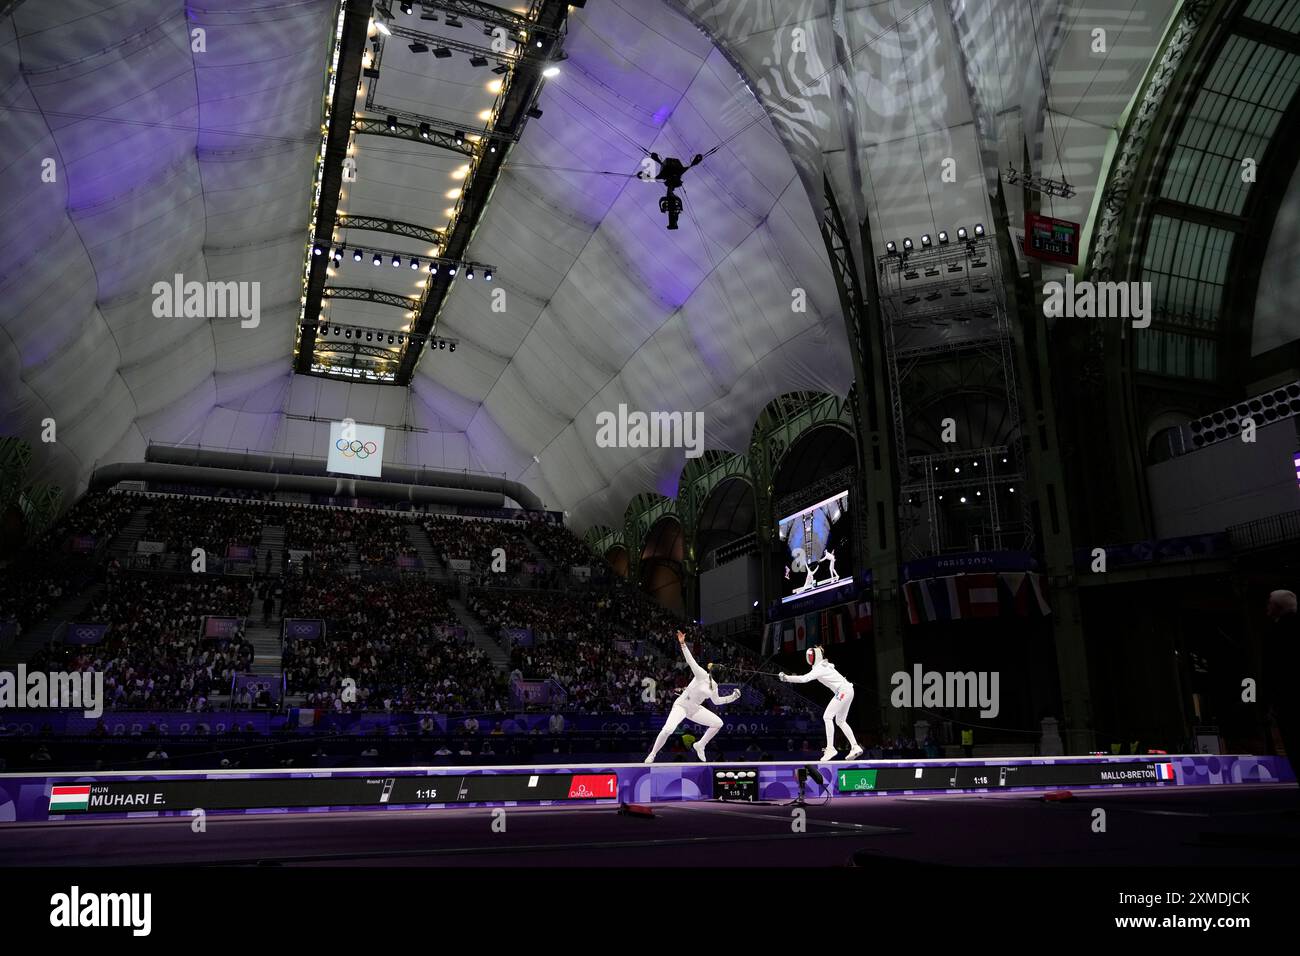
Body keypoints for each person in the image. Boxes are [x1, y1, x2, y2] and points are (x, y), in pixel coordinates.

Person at [644, 630, 740, 763]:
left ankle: (700, 745)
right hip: (682, 705)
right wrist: (682, 643)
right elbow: (690, 661)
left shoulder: (715, 686)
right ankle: (652, 754)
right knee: (668, 729)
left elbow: (717, 701)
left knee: (718, 723)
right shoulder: (701, 674)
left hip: (694, 709)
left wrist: (733, 697)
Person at [780, 646, 862, 762]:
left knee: (827, 716)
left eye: (811, 656)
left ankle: (830, 749)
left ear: (816, 657)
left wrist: (786, 678)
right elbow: (806, 677)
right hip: (847, 690)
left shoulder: (820, 668)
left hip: (843, 691)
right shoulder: (823, 665)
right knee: (840, 721)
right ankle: (855, 746)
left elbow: (804, 679)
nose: (809, 658)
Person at [1265, 590, 1299, 798]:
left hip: (1288, 702)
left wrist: (1270, 702)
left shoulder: (1277, 633)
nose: (1266, 607)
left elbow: (1272, 670)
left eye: (1269, 603)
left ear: (1278, 607)